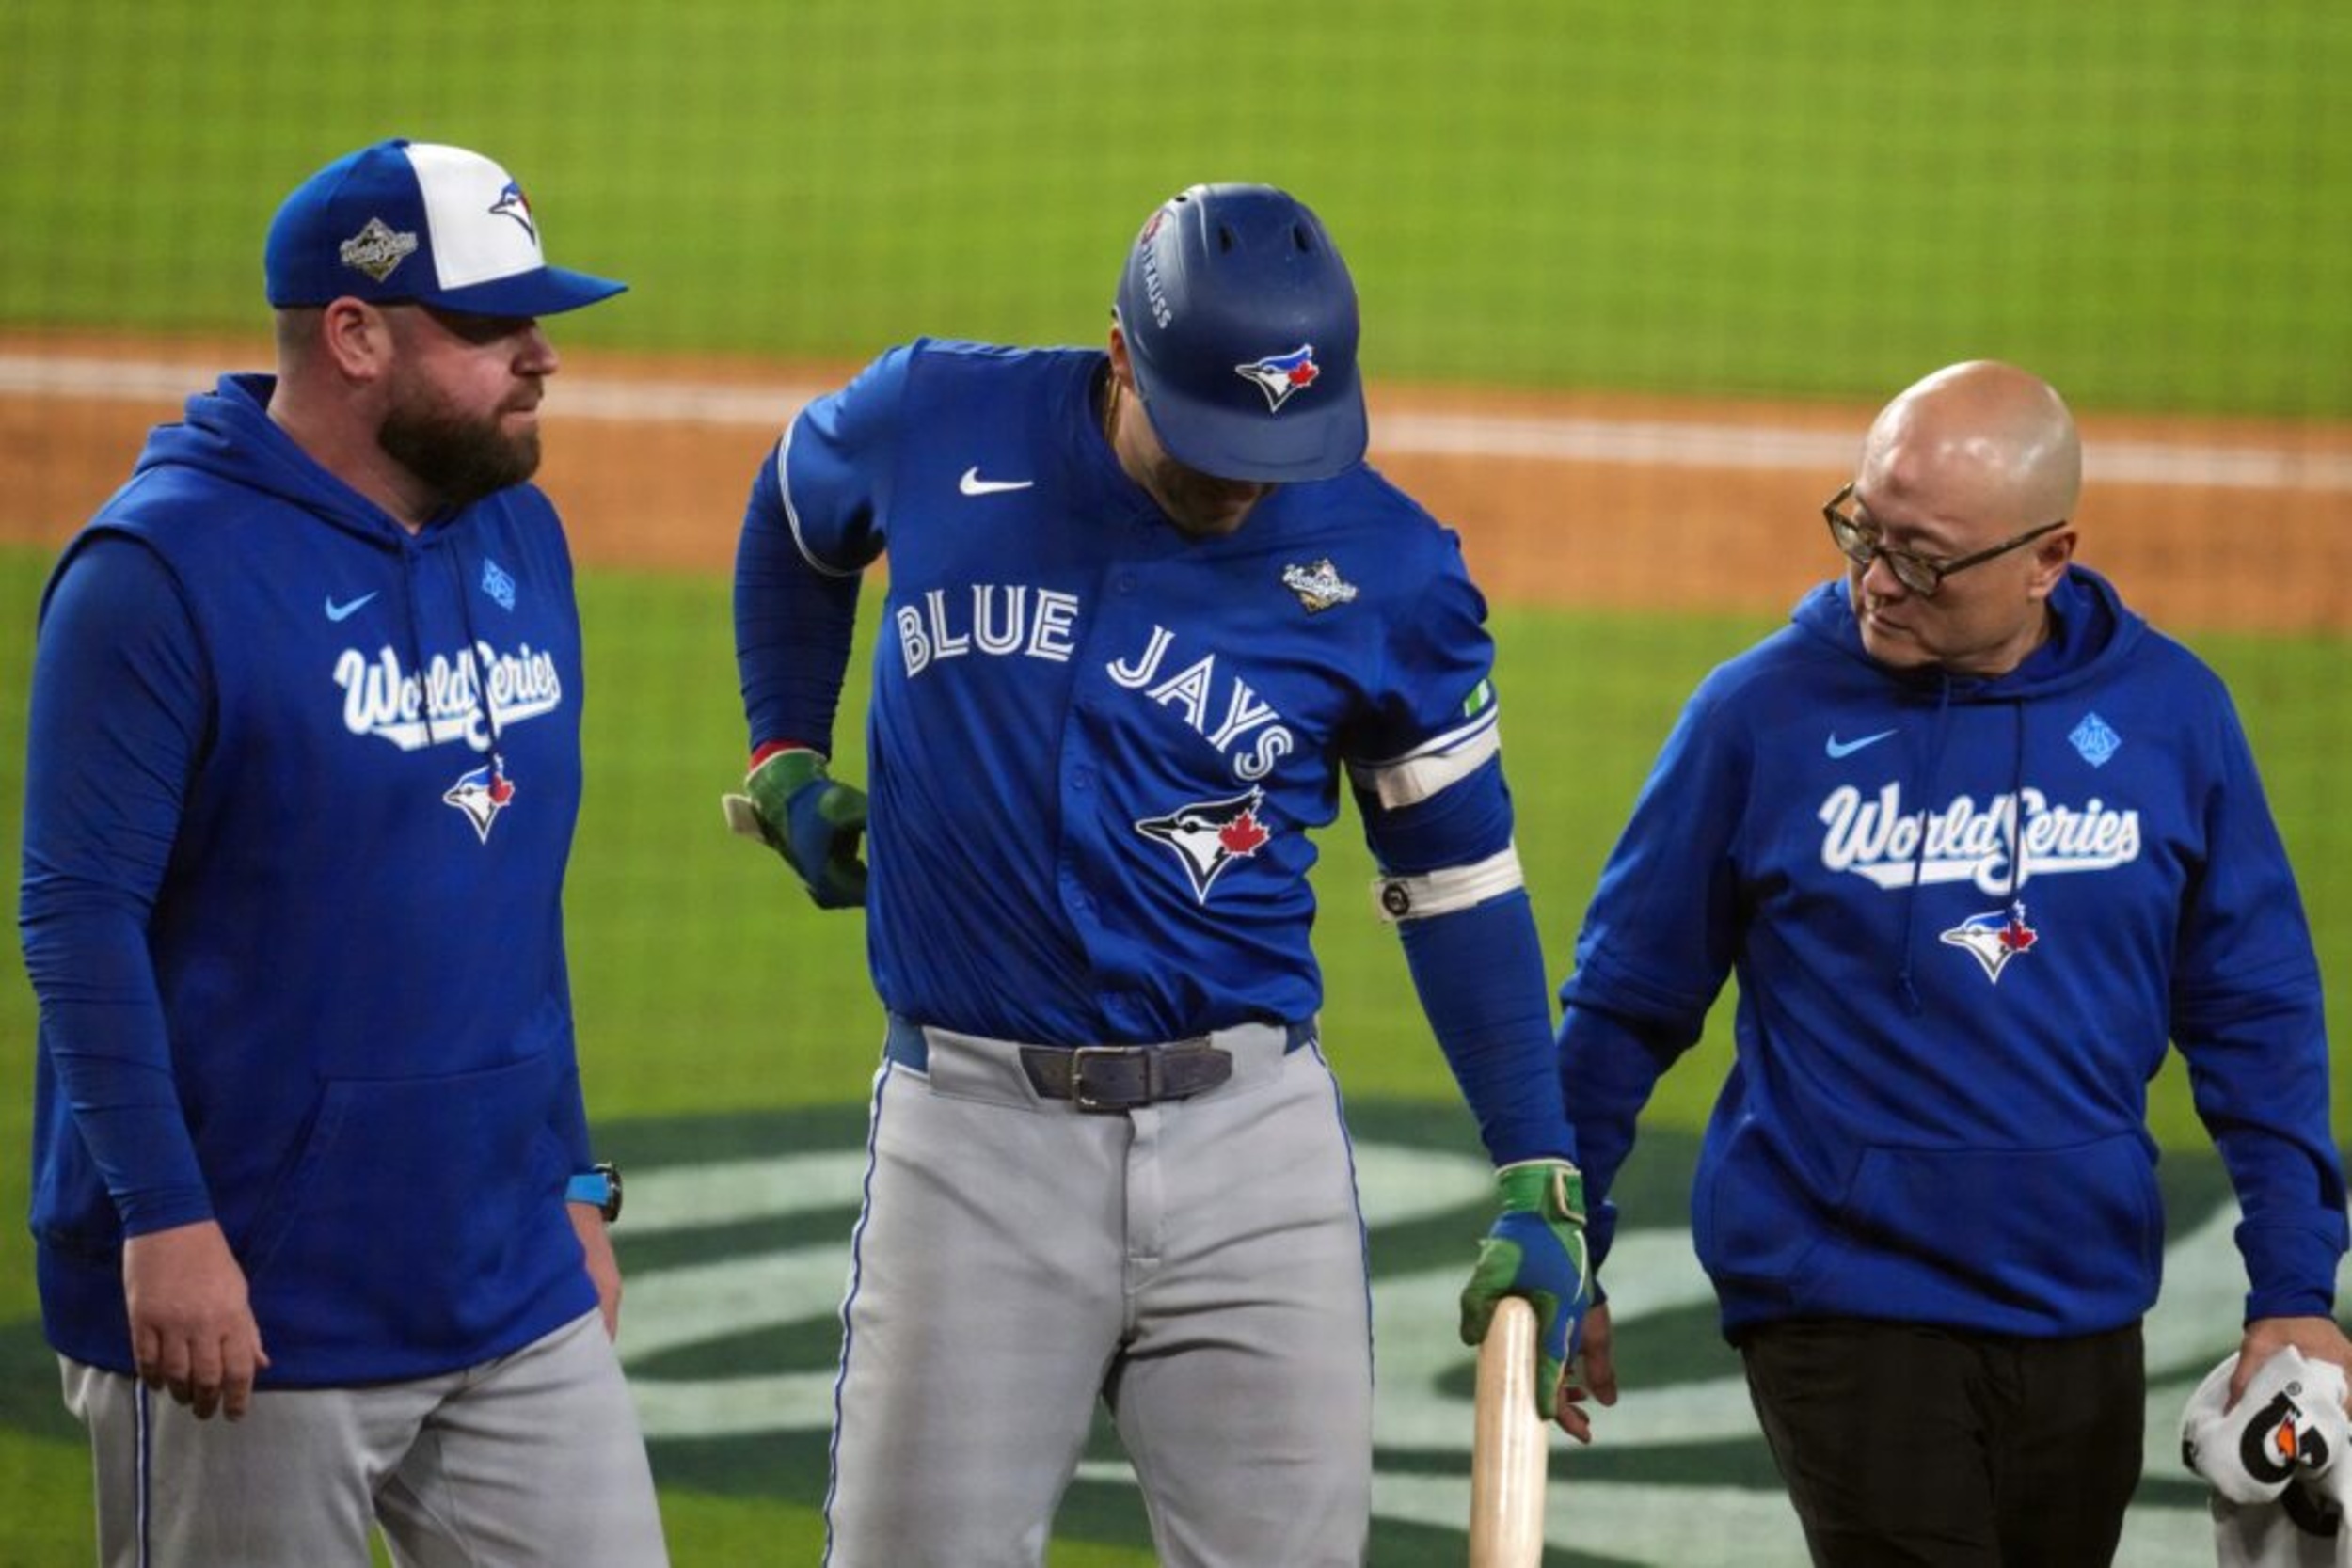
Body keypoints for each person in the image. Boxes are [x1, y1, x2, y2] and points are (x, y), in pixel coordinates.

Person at [724, 182, 1589, 1566]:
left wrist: (1535, 1161)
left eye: (1283, 441)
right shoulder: (933, 416)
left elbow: (1460, 876)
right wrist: (784, 744)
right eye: (1212, 442)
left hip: (1254, 1147)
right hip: (973, 1137)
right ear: (1119, 355)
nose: (1248, 477)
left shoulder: (1392, 569)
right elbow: (792, 515)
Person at [1552, 359, 2352, 1565]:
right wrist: (1565, 1236)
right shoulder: (1758, 716)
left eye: (1924, 556)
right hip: (1840, 1293)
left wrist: (2292, 1286)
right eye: (1864, 532)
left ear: (2048, 557)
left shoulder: (2171, 718)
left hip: (2080, 1292)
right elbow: (1622, 1003)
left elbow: (2257, 1011)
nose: (1878, 580)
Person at [19, 138, 668, 1566]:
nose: (542, 356)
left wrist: (567, 1178)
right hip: (251, 1298)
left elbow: (512, 903)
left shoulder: (521, 535)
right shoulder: (157, 574)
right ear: (356, 333)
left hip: (506, 1273)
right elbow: (78, 919)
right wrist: (167, 1222)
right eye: (493, 325)